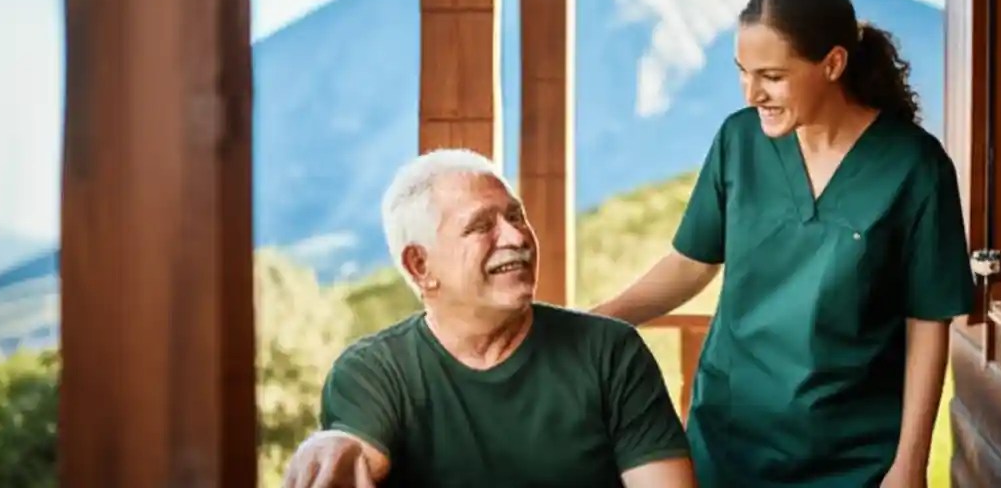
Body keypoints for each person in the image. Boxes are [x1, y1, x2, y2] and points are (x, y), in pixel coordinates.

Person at [592, 0, 976, 487]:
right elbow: (690, 263)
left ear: (833, 64)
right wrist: (593, 324)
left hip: (853, 459)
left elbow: (927, 323)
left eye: (771, 76)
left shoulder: (915, 168)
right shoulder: (739, 142)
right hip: (728, 447)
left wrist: (909, 463)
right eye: (742, 73)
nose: (753, 94)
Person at [282, 149, 694, 488]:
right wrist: (331, 446)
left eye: (515, 217)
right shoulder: (374, 371)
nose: (516, 238)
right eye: (482, 226)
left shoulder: (610, 351)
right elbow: (354, 452)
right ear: (420, 265)